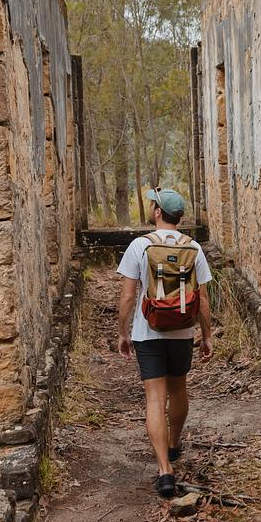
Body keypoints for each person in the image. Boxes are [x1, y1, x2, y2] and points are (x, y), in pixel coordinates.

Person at [115, 188, 214, 498]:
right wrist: (206, 335)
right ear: (179, 216)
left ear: (158, 212)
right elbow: (204, 298)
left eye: (153, 204)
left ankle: (164, 472)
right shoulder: (194, 248)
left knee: (155, 400)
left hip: (149, 332)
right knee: (179, 389)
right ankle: (173, 445)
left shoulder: (140, 246)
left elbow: (129, 296)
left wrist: (122, 332)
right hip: (183, 332)